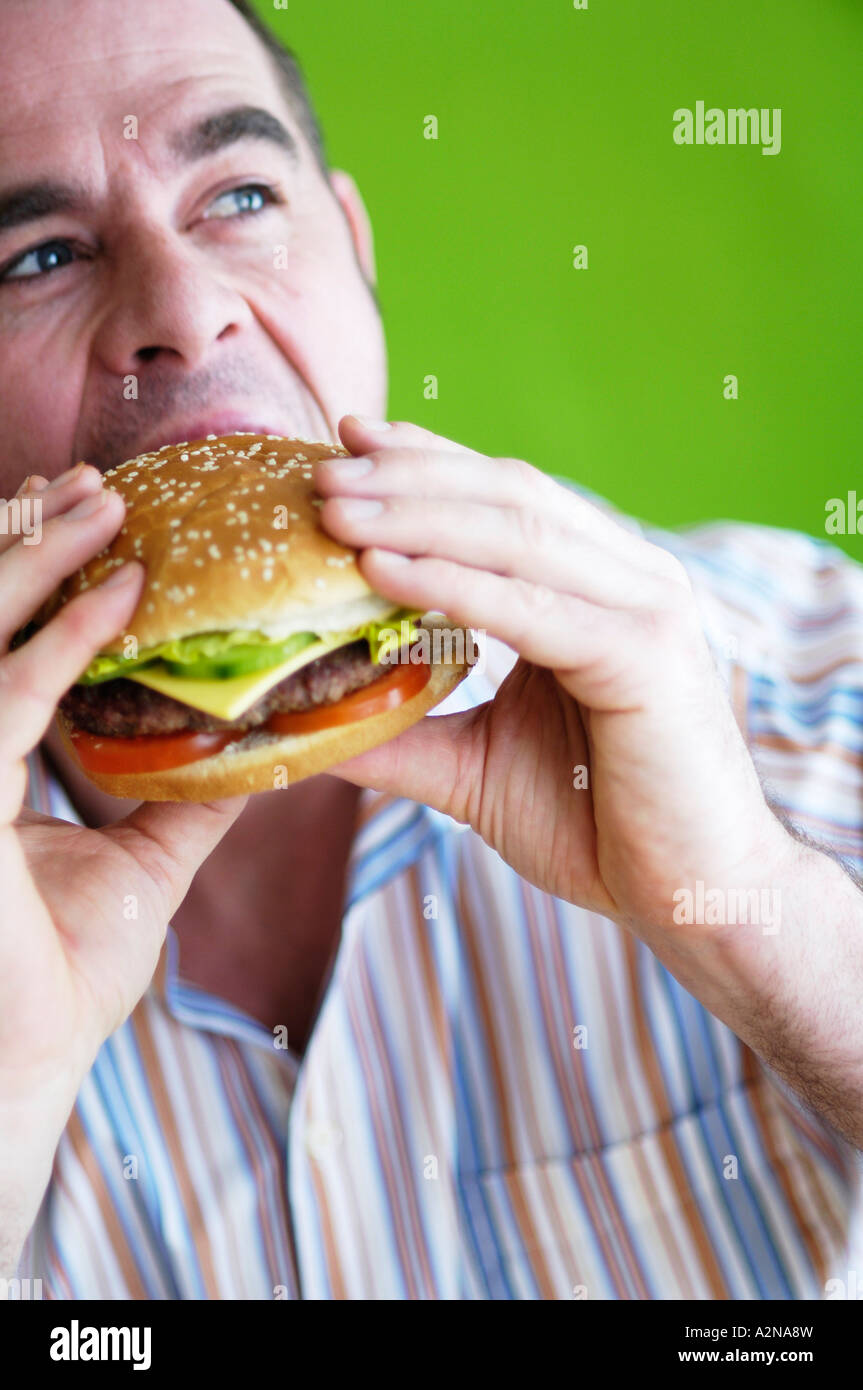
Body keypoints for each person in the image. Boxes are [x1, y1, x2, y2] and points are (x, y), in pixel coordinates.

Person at [2, 0, 862, 1300]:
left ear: (352, 249)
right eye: (36, 258)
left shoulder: (817, 670)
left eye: (237, 194)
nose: (183, 309)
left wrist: (752, 913)